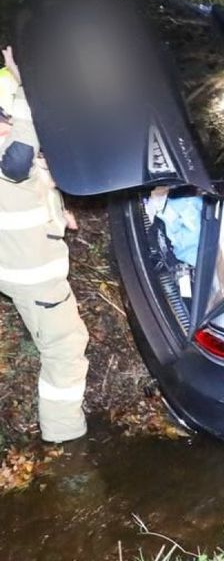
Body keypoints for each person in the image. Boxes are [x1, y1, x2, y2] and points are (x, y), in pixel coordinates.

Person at [0, 46, 88, 442]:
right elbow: (18, 162)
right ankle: (65, 438)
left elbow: (28, 186)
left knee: (64, 343)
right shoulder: (7, 152)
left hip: (24, 264)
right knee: (66, 351)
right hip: (32, 277)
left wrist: (57, 215)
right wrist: (23, 87)